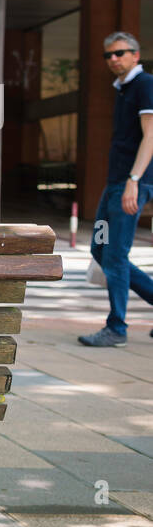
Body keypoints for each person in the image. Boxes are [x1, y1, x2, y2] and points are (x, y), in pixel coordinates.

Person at [79, 32, 153, 347]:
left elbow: (151, 136)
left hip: (131, 183)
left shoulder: (145, 84)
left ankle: (117, 328)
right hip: (116, 183)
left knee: (116, 255)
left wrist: (134, 181)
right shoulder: (123, 90)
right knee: (101, 249)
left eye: (120, 53)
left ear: (135, 55)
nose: (113, 59)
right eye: (108, 55)